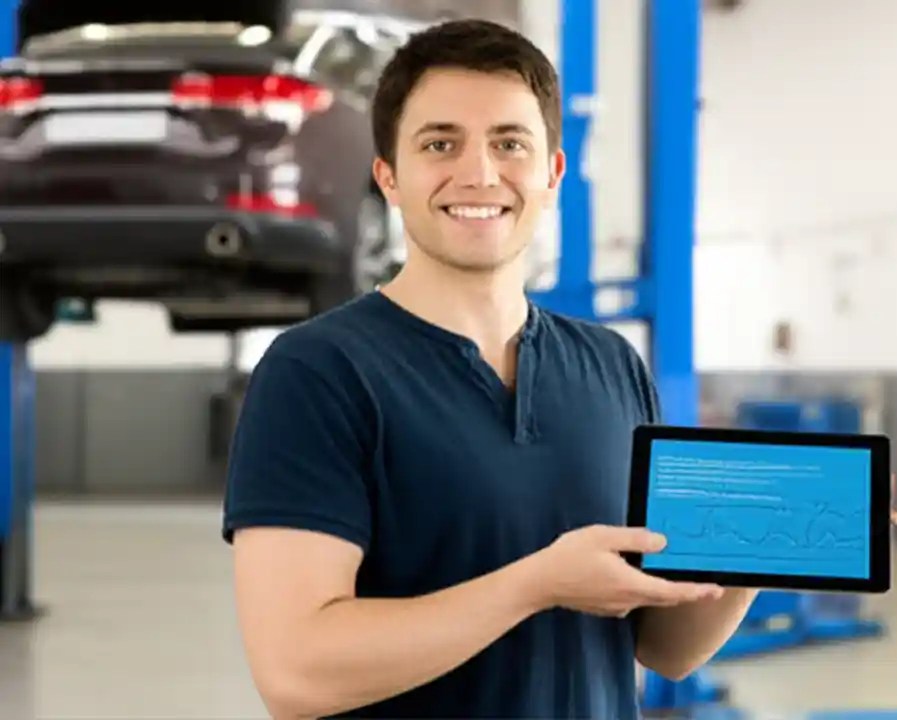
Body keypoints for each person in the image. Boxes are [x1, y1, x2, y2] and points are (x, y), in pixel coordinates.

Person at [221, 18, 759, 719]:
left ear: (552, 172)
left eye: (509, 144)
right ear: (389, 176)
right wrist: (536, 584)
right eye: (440, 143)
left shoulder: (612, 365)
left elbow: (665, 648)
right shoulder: (318, 372)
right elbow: (297, 673)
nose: (479, 173)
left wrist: (757, 545)